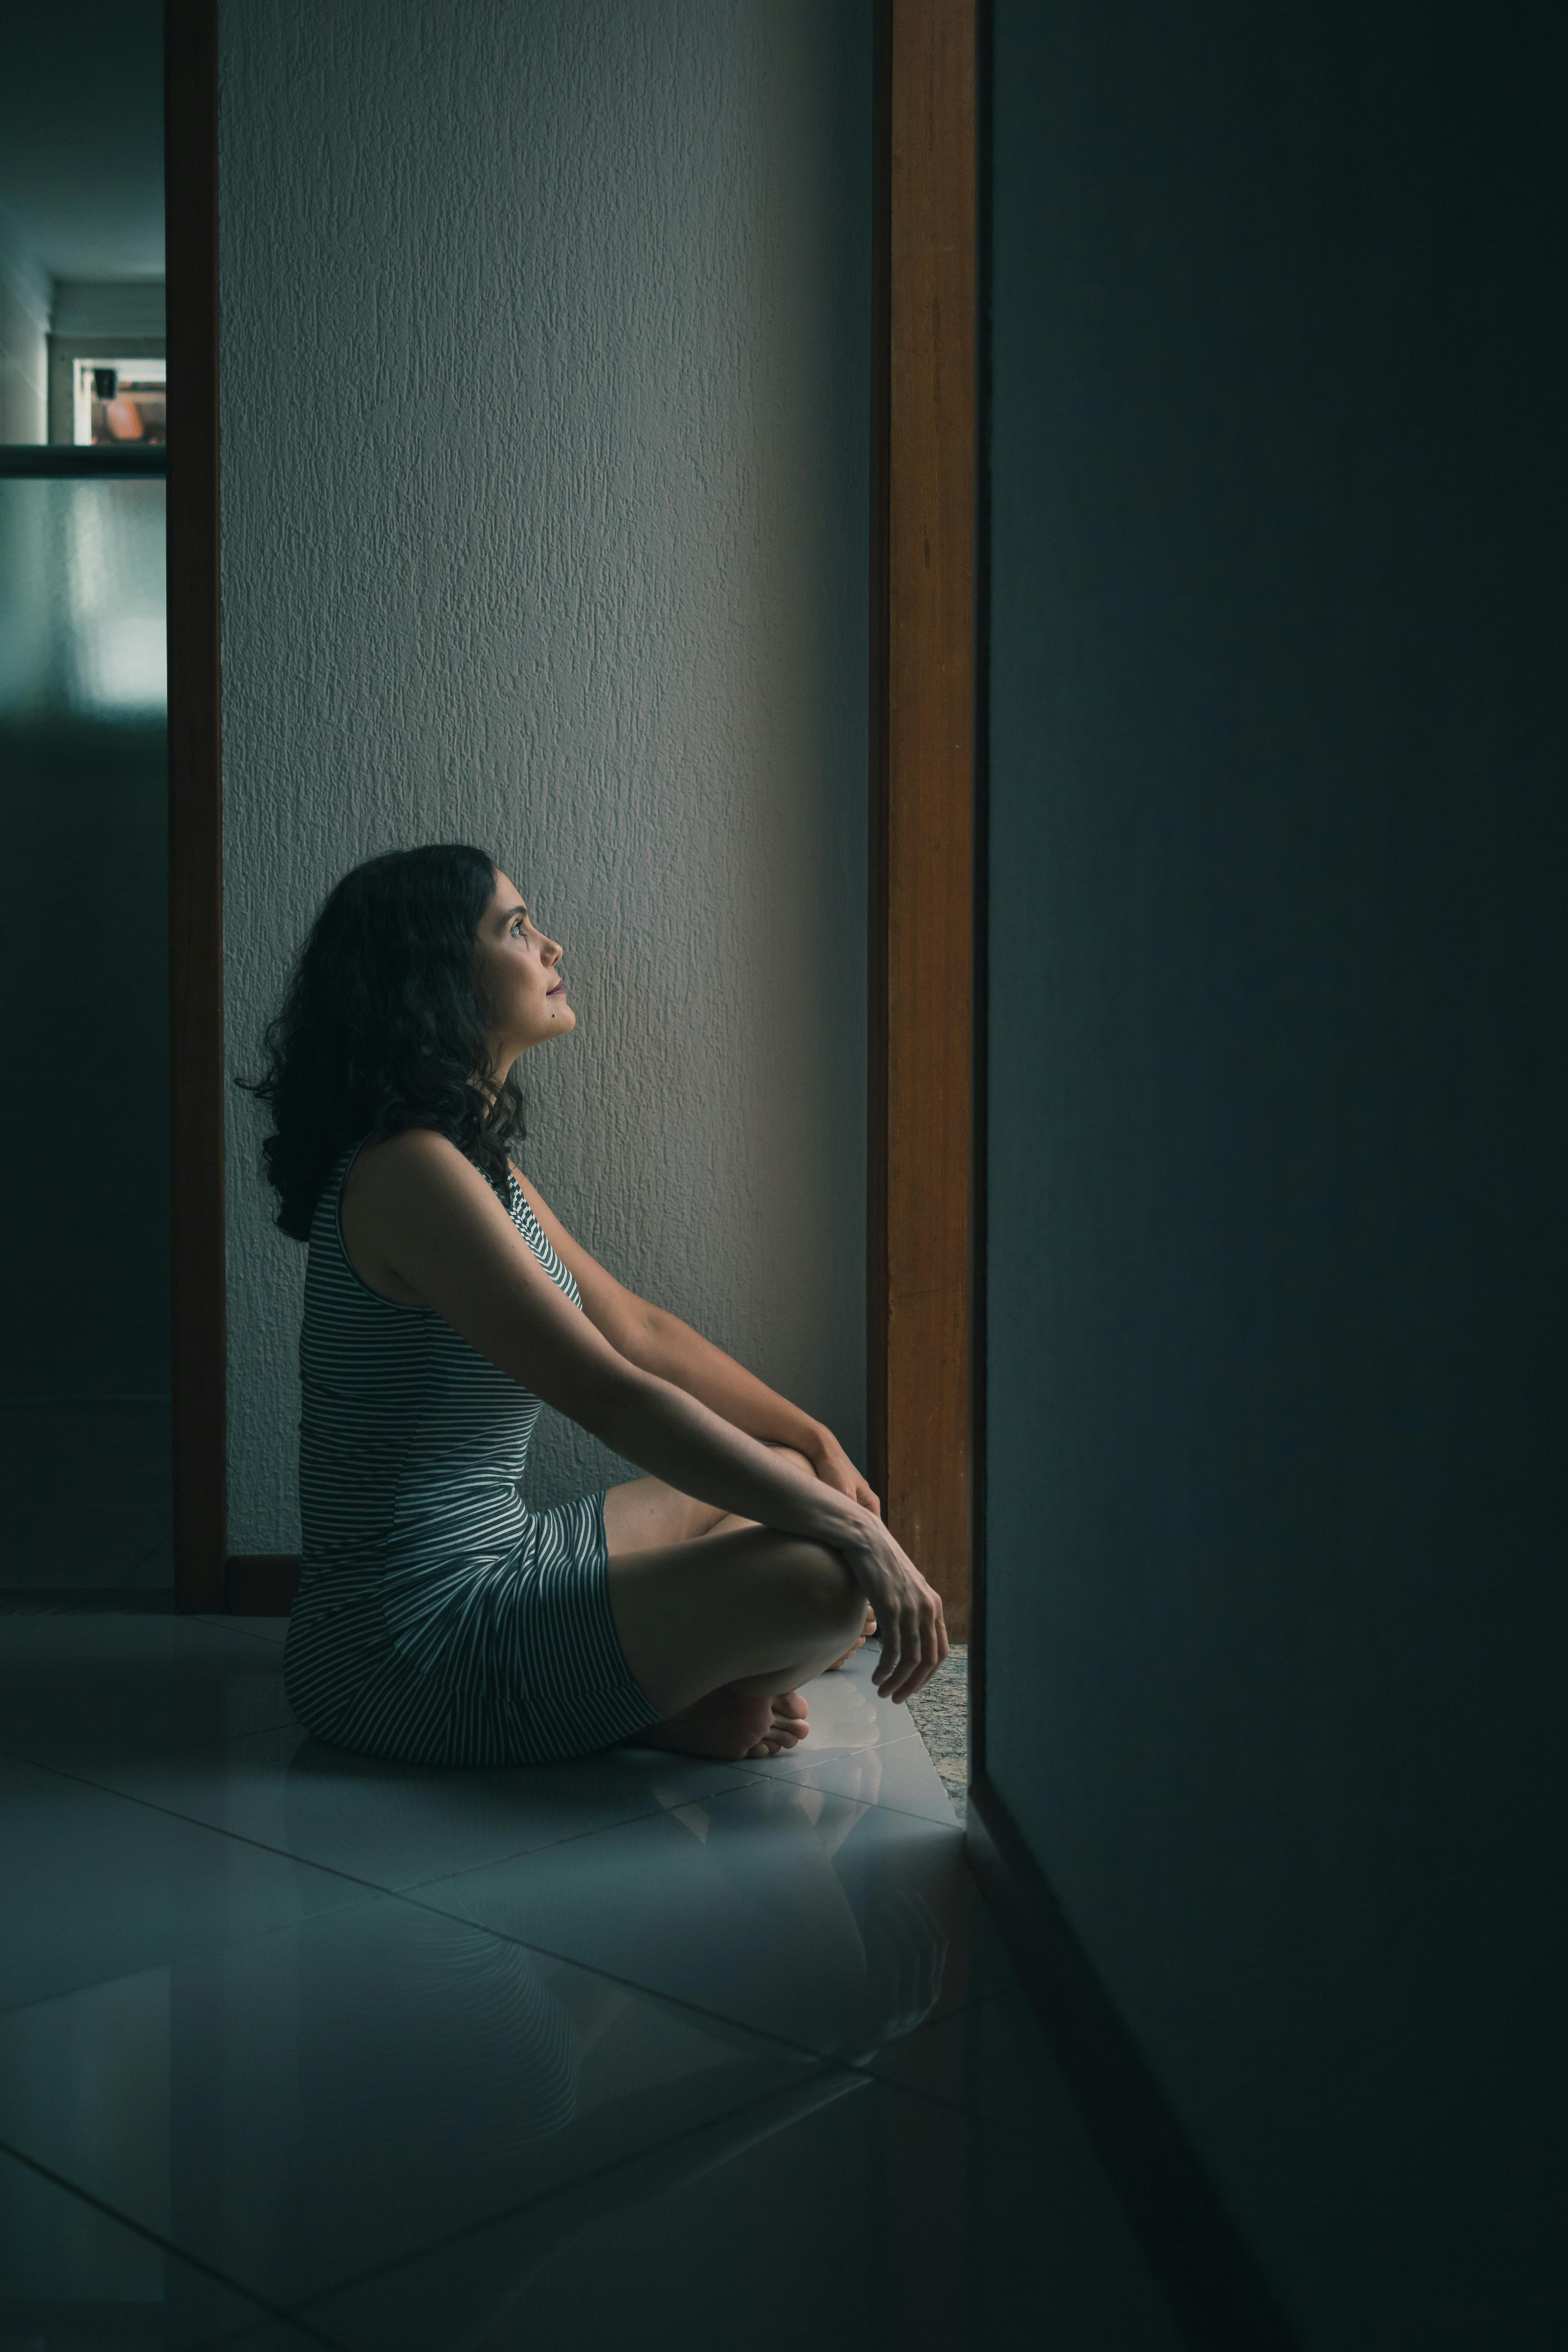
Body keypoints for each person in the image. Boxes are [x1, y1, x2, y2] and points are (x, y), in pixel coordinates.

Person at [242, 843, 947, 1769]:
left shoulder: (466, 1160)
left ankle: (635, 1699)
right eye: (517, 929)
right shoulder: (408, 1171)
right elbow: (610, 1393)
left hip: (508, 1555)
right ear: (437, 978)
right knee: (828, 1584)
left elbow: (636, 1327)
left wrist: (817, 1443)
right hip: (401, 1647)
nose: (552, 947)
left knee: (790, 1478)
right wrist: (857, 1534)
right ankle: (635, 1704)